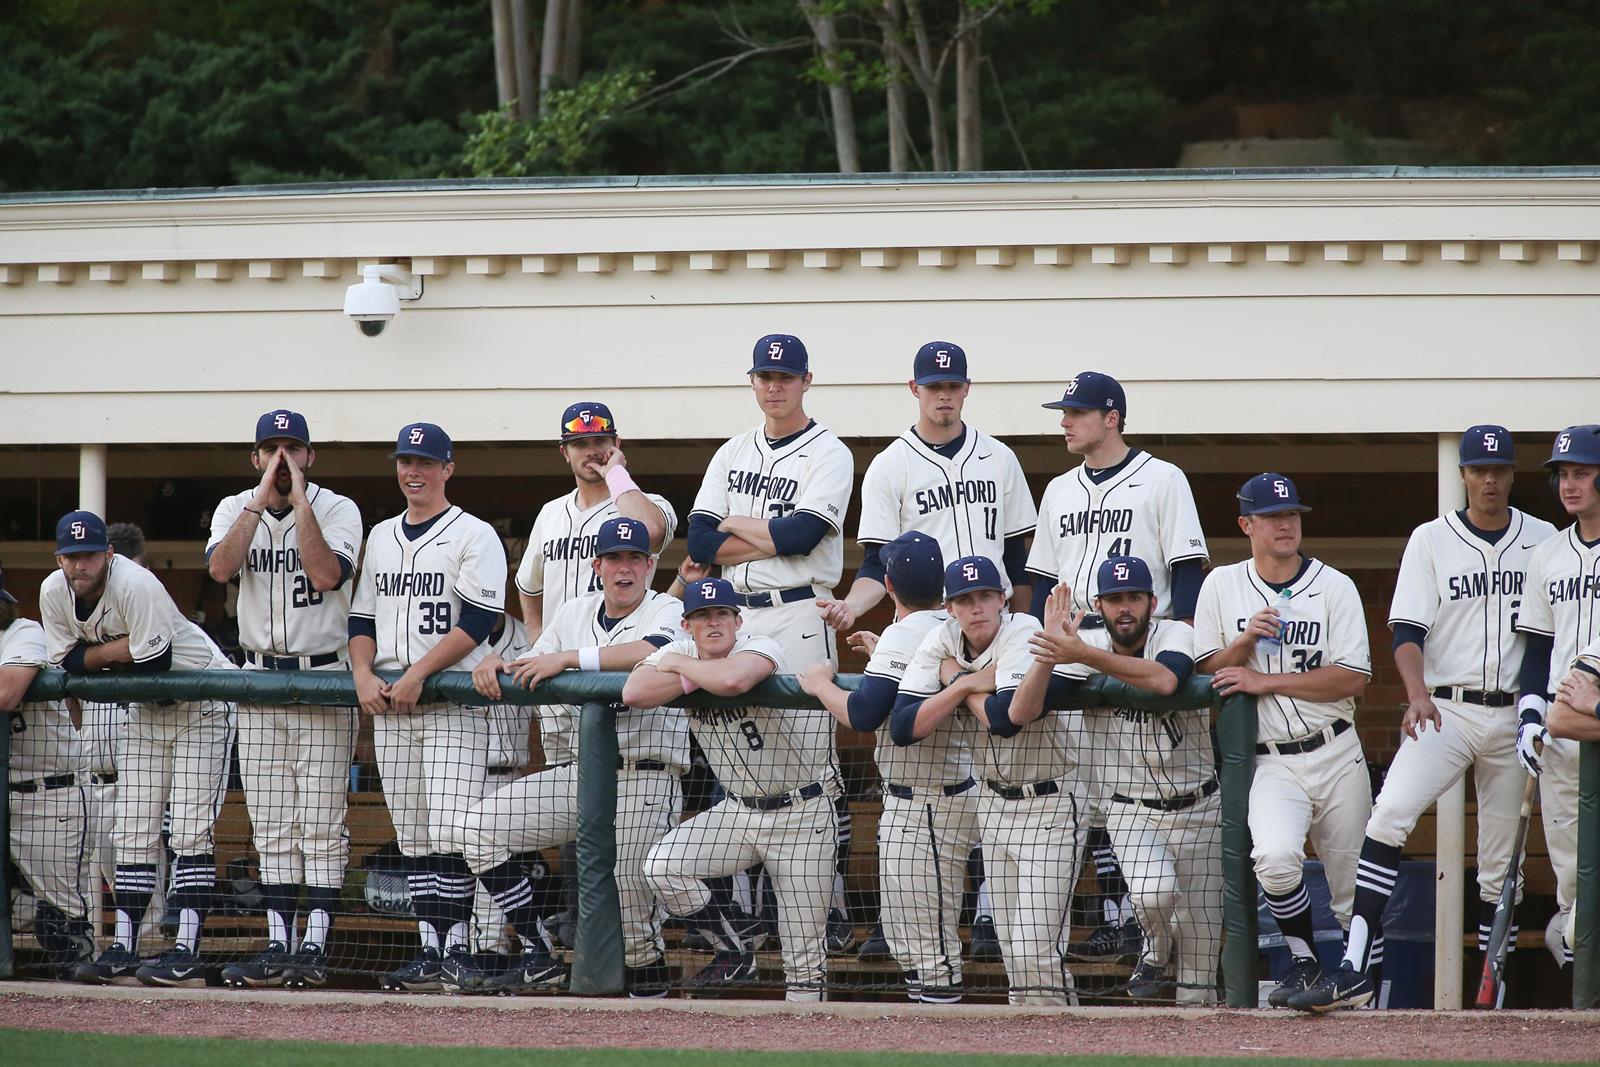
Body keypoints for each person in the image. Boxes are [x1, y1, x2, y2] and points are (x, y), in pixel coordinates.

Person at [1291, 427, 1556, 1012]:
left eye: (1501, 469)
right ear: (1463, 474)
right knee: (1388, 815)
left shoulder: (1544, 541)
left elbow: (1549, 635)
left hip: (1515, 711)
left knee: (1496, 867)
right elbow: (1407, 633)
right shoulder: (1431, 539)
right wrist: (1414, 695)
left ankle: (1494, 989)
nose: (1490, 479)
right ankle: (1355, 964)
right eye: (1479, 469)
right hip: (1447, 707)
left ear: (1513, 475)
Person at [815, 341, 1033, 962]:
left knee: (1000, 773)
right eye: (933, 385)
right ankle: (908, 914)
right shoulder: (889, 465)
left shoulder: (1000, 457)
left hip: (992, 624)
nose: (944, 394)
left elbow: (1020, 560)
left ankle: (990, 912)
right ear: (914, 389)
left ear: (966, 389)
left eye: (954, 385)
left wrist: (1011, 631)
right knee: (937, 772)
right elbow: (876, 562)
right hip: (932, 632)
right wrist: (852, 608)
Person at [456, 516, 687, 998]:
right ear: (597, 565)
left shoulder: (666, 606)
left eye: (635, 559)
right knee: (478, 829)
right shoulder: (572, 612)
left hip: (645, 774)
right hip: (579, 775)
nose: (625, 569)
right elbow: (533, 661)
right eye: (615, 559)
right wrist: (497, 660)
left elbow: (653, 649)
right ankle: (540, 952)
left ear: (649, 565)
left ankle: (651, 985)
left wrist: (568, 659)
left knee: (630, 898)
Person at [1026, 370, 1210, 962]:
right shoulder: (1058, 490)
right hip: (1075, 641)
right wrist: (1037, 644)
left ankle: (1140, 917)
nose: (1065, 421)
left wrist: (1169, 640)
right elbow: (1039, 583)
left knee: (1144, 782)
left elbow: (1186, 571)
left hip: (1140, 642)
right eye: (1065, 412)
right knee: (1082, 786)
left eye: (1076, 412)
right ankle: (1116, 912)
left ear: (1111, 417)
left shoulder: (1162, 479)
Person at [685, 334, 856, 950]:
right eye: (765, 375)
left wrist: (736, 524)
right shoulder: (732, 451)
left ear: (806, 380)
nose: (775, 385)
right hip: (737, 616)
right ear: (752, 381)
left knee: (816, 765)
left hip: (797, 610)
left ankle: (830, 906)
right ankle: (753, 902)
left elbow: (807, 535)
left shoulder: (829, 451)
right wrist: (767, 534)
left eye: (786, 376)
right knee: (742, 763)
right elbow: (699, 542)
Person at [1192, 474, 1372, 1008]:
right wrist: (1245, 641)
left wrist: (1265, 680)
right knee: (1272, 857)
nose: (1286, 523)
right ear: (1246, 525)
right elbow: (1206, 671)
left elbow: (1353, 677)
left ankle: (1368, 998)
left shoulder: (1334, 585)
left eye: (1292, 513)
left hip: (1336, 748)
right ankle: (1302, 961)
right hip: (1269, 759)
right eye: (1272, 516)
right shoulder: (1221, 585)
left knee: (1351, 889)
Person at [41, 510, 236, 988]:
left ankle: (185, 951)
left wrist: (94, 657)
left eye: (89, 555)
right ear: (59, 558)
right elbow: (64, 663)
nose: (79, 566)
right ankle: (124, 946)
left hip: (200, 701)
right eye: (71, 556)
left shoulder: (137, 583)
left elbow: (154, 658)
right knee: (133, 831)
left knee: (190, 832)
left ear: (108, 554)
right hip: (145, 711)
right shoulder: (52, 591)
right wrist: (113, 650)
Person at [347, 422, 508, 992]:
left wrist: (418, 671)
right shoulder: (383, 534)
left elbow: (479, 622)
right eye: (404, 461)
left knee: (455, 830)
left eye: (424, 461)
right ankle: (431, 948)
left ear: (447, 469)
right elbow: (361, 621)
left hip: (448, 703)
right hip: (392, 706)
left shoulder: (475, 533)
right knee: (413, 834)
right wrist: (363, 673)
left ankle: (460, 949)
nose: (412, 471)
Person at [207, 410, 364, 989]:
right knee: (271, 821)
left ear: (309, 456)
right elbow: (222, 567)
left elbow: (325, 575)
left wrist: (299, 501)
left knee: (321, 820)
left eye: (291, 448)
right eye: (270, 449)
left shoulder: (338, 508)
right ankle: (279, 942)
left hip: (323, 677)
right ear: (253, 457)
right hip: (259, 678)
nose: (280, 458)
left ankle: (315, 946)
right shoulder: (234, 508)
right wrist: (257, 503)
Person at [891, 555, 1083, 1006]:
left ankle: (1065, 1039)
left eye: (984, 597)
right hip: (993, 805)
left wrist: (954, 679)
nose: (975, 607)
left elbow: (1007, 718)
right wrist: (964, 684)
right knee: (1015, 955)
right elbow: (902, 727)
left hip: (1049, 803)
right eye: (964, 599)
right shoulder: (941, 638)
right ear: (949, 607)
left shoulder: (1024, 631)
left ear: (1003, 599)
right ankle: (1042, 1042)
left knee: (1036, 948)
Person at [636, 577, 839, 1002]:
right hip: (737, 813)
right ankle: (733, 948)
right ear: (687, 624)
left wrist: (681, 670)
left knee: (803, 962)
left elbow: (733, 680)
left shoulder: (760, 643)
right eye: (701, 616)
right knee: (661, 866)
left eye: (721, 614)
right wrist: (694, 672)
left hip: (800, 813)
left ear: (736, 619)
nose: (713, 623)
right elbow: (634, 690)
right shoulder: (681, 650)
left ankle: (811, 1045)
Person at [798, 532, 981, 1003]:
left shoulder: (909, 633)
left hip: (926, 804)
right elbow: (916, 666)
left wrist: (820, 684)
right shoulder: (947, 625)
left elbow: (862, 713)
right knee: (913, 942)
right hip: (938, 796)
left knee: (931, 949)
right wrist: (884, 649)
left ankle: (940, 1034)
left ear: (888, 585)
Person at [1029, 557, 1221, 1005]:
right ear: (1098, 604)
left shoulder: (1177, 633)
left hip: (1201, 808)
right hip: (1130, 809)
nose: (1125, 608)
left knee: (1200, 959)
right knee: (1155, 894)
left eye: (1134, 597)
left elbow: (1167, 679)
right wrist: (1047, 652)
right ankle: (1154, 951)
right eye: (1115, 599)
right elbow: (1025, 710)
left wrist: (1082, 655)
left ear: (1153, 602)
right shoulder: (1085, 643)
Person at [1511, 424, 1600, 970]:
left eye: (1583, 473)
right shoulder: (1548, 554)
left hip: (1591, 709)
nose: (1570, 485)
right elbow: (1537, 648)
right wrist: (1528, 715)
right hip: (1563, 728)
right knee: (1571, 876)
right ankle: (1584, 997)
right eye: (1564, 475)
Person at [514, 402, 675, 640]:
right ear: (565, 453)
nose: (591, 451)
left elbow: (651, 530)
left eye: (600, 441)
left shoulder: (647, 504)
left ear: (617, 445)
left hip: (619, 654)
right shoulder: (550, 512)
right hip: (557, 662)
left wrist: (615, 473)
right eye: (580, 443)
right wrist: (535, 631)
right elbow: (528, 585)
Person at [2, 564, 95, 977]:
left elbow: (7, 694)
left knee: (61, 922)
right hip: (8, 793)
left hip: (50, 795)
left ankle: (82, 1009)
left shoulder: (24, 632)